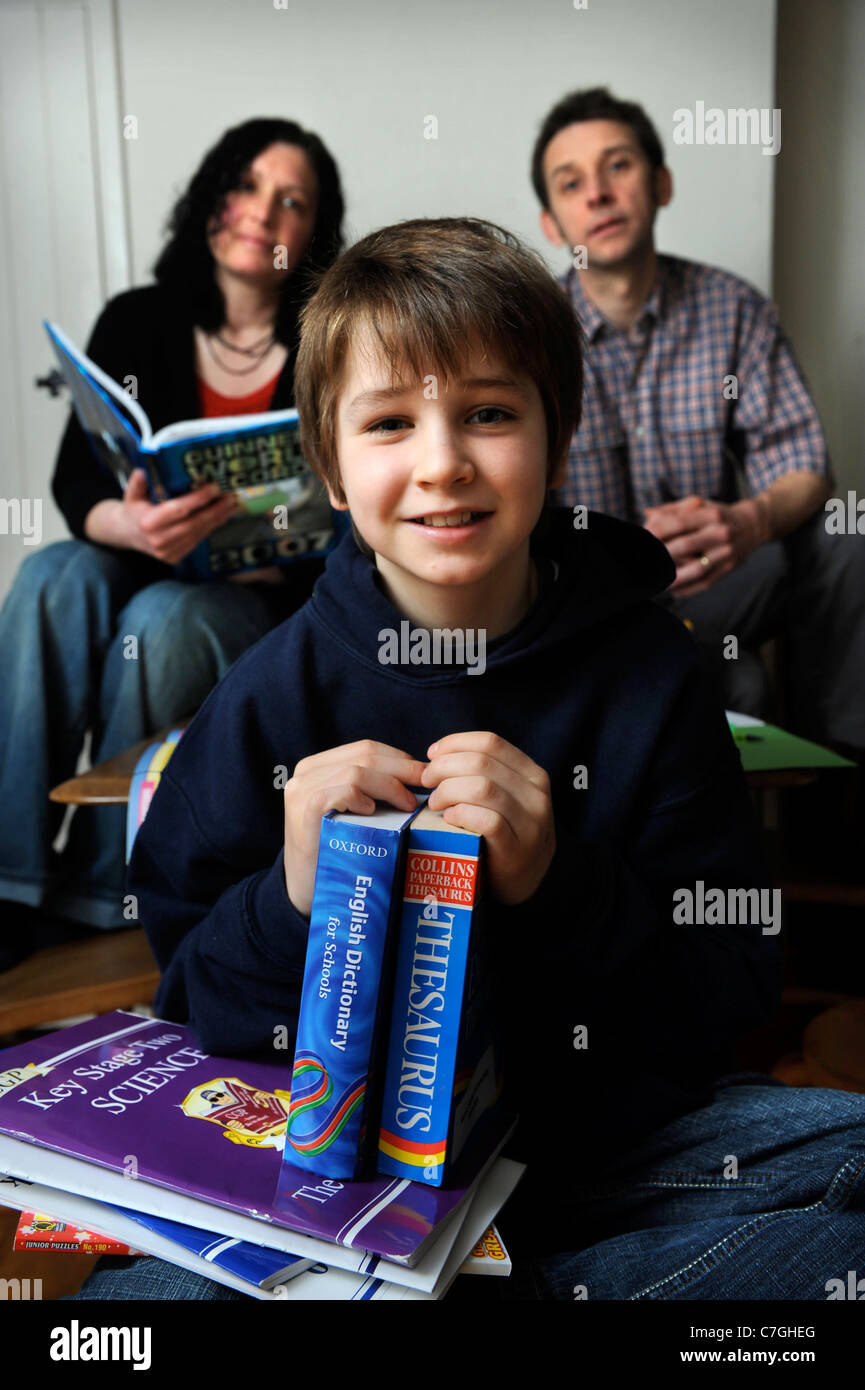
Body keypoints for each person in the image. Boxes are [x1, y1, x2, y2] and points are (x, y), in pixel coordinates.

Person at [69, 219, 864, 1301]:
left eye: (489, 413)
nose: (442, 462)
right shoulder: (270, 690)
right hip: (324, 1179)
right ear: (331, 471)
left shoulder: (652, 673)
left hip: (586, 1154)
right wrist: (291, 896)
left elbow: (726, 992)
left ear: (556, 434)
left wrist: (562, 883)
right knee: (133, 1309)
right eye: (389, 422)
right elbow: (195, 1000)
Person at [0, 117, 344, 970]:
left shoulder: (330, 344)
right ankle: (7, 881)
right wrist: (128, 521)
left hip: (257, 596)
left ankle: (100, 888)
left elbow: (349, 518)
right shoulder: (138, 320)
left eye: (290, 200)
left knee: (162, 618)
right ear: (211, 200)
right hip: (127, 556)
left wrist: (262, 538)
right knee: (50, 573)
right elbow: (78, 483)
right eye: (245, 186)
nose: (261, 213)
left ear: (312, 232)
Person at [531, 87, 865, 759]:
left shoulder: (731, 306)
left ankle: (841, 785)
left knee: (844, 531)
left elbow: (803, 466)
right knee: (737, 680)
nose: (596, 194)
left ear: (660, 183)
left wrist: (749, 521)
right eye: (571, 184)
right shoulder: (530, 332)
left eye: (617, 166)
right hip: (590, 603)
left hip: (717, 583)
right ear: (551, 224)